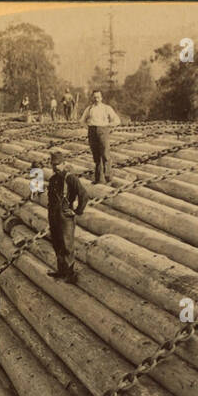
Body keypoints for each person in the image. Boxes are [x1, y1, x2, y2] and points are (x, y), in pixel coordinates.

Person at [45, 150, 87, 284]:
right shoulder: (53, 179)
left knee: (67, 245)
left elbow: (83, 195)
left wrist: (77, 211)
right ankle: (61, 270)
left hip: (65, 216)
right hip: (53, 215)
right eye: (53, 164)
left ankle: (70, 274)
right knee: (57, 243)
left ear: (64, 164)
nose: (55, 167)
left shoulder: (70, 178)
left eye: (57, 164)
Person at [80, 90, 122, 184]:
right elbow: (82, 120)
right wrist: (89, 128)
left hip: (103, 130)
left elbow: (117, 120)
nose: (96, 99)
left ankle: (108, 178)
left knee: (105, 154)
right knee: (96, 156)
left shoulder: (106, 108)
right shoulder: (89, 108)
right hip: (92, 131)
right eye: (94, 97)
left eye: (98, 97)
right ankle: (98, 179)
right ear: (92, 98)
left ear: (101, 98)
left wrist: (107, 126)